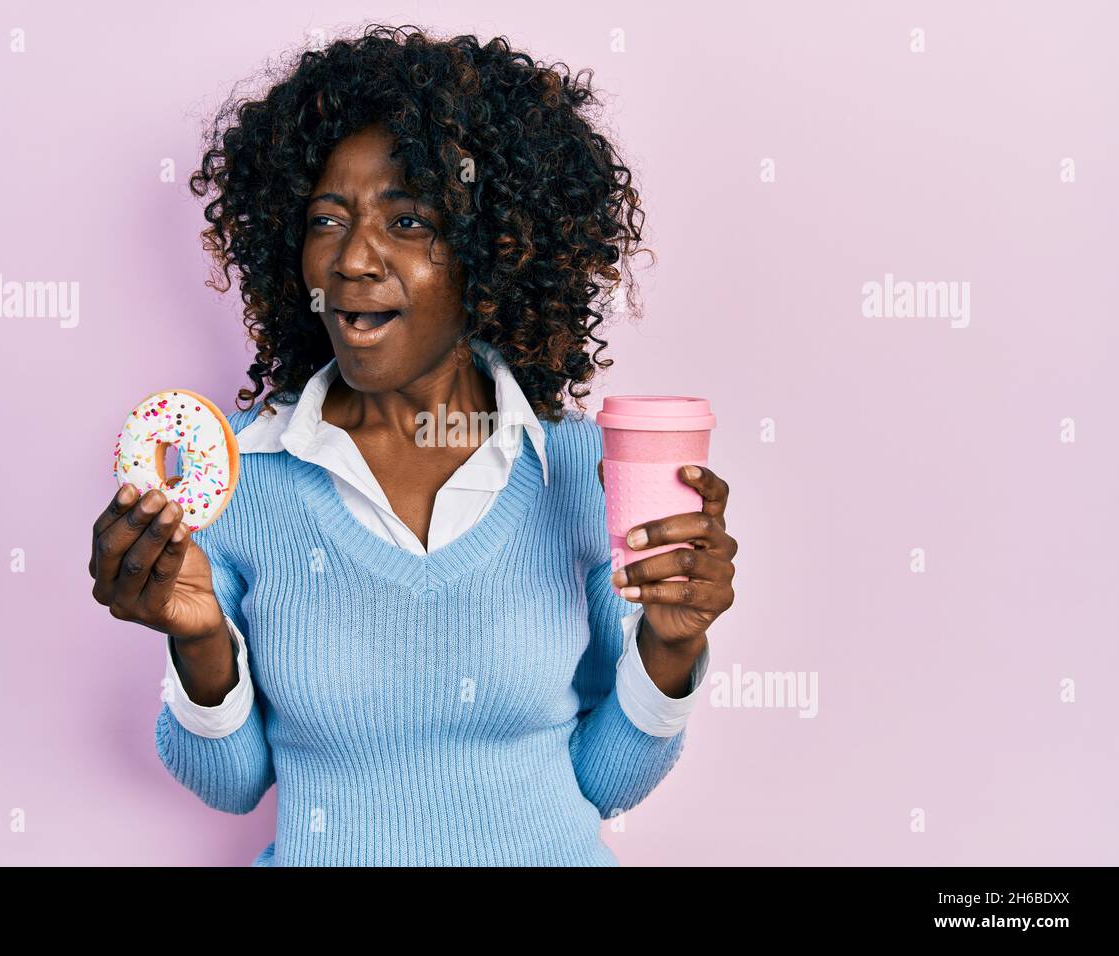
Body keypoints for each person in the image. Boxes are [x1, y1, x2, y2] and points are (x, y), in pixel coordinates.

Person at [89, 24, 738, 866]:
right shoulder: (239, 473)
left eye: (406, 221)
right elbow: (233, 784)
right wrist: (199, 637)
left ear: (491, 253)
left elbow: (604, 778)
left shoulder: (580, 472)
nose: (353, 259)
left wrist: (673, 644)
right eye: (327, 220)